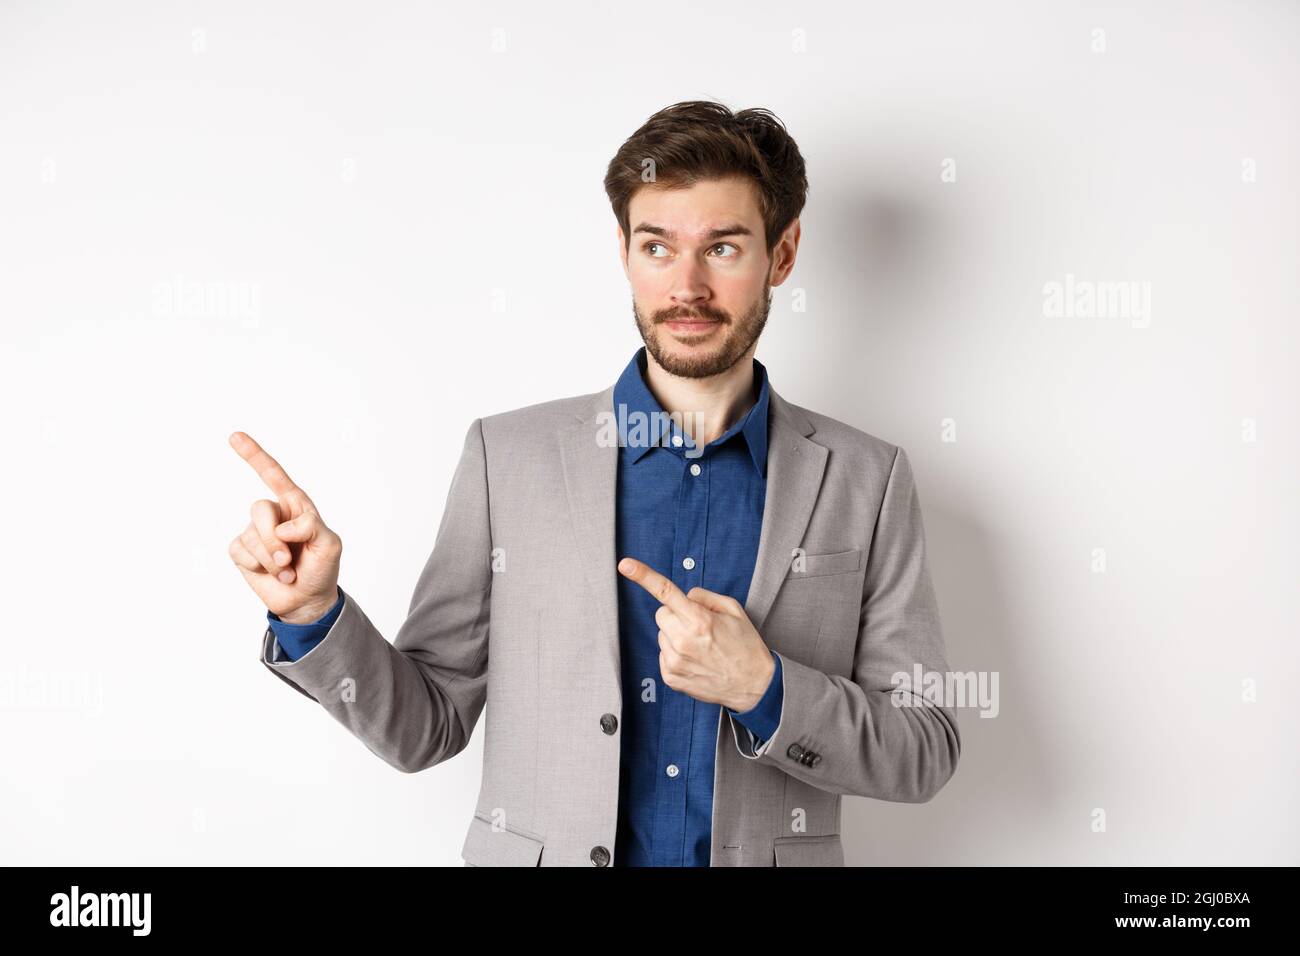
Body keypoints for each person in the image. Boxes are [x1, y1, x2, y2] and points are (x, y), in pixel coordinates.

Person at [228, 100, 960, 867]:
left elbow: (925, 745)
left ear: (782, 255)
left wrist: (764, 687)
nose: (687, 285)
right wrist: (313, 614)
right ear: (624, 251)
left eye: (724, 248)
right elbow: (425, 728)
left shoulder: (866, 479)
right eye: (657, 246)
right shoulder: (504, 458)